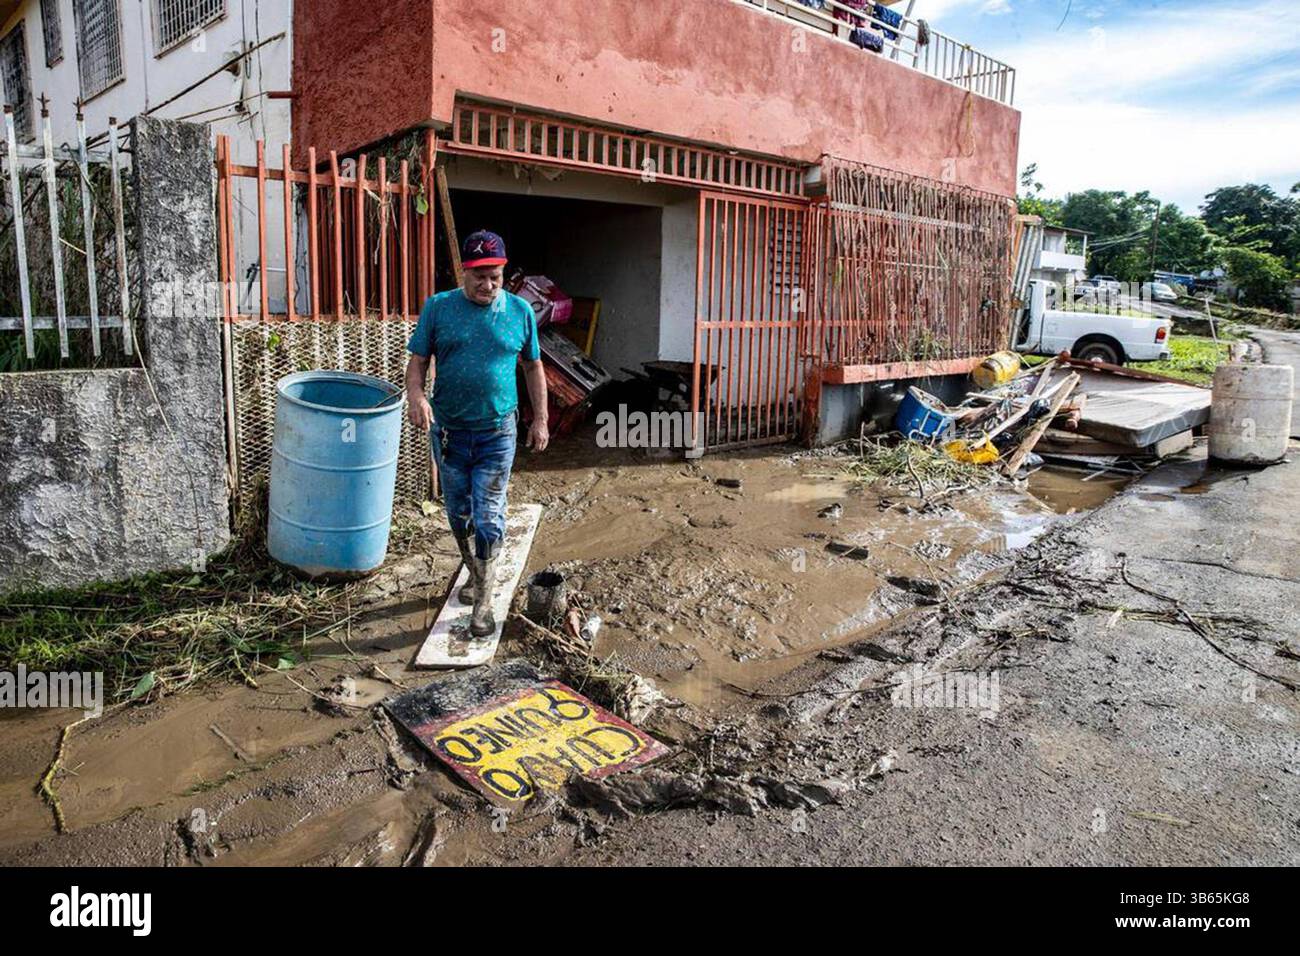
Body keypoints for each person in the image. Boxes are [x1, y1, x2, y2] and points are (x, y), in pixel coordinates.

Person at [404, 230, 549, 637]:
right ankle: (476, 573)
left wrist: (541, 419)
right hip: (449, 433)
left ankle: (483, 603)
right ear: (463, 273)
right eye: (479, 277)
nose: (488, 285)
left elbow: (533, 367)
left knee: (488, 518)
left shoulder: (520, 312)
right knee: (459, 516)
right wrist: (416, 397)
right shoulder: (438, 308)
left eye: (496, 277)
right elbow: (418, 363)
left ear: (505, 274)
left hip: (497, 432)